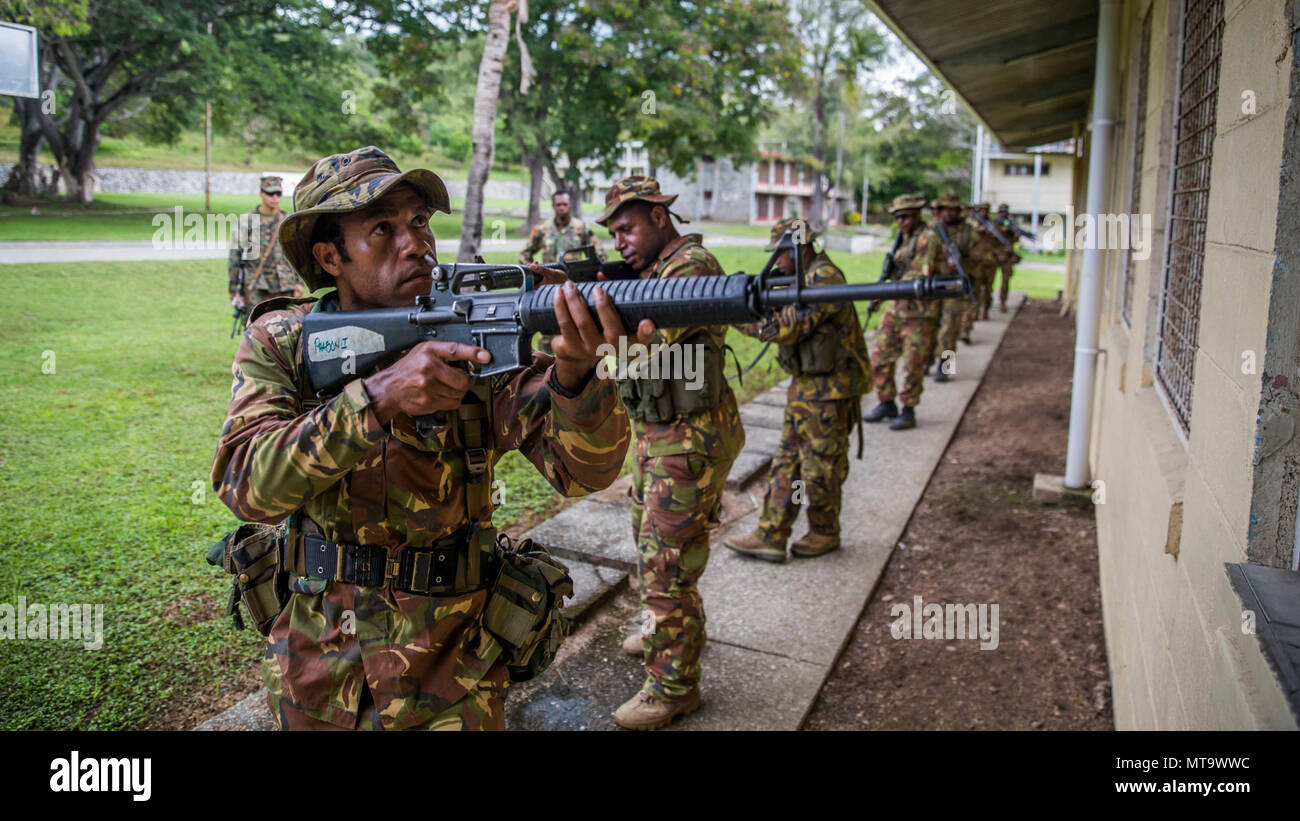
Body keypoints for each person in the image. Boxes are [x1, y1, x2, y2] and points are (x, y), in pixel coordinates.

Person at [210, 146, 644, 731]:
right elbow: (245, 484)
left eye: (418, 222)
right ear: (329, 255)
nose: (414, 242)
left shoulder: (476, 333)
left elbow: (585, 472)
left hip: (451, 669)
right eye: (382, 229)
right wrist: (377, 399)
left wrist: (578, 374)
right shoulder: (283, 340)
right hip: (316, 665)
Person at [595, 175, 744, 730]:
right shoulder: (653, 270)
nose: (619, 242)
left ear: (660, 217)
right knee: (651, 545)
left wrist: (592, 316)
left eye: (627, 227)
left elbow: (647, 345)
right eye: (612, 233)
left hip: (690, 440)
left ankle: (674, 687)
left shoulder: (692, 268)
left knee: (667, 565)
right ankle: (666, 630)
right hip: (662, 435)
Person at [722, 218, 871, 563]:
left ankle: (824, 531)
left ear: (798, 249)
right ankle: (771, 534)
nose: (777, 265)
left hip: (831, 392)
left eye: (780, 256)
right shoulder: (802, 277)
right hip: (805, 387)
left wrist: (735, 315)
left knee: (820, 467)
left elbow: (787, 328)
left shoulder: (824, 279)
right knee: (787, 463)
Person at [862, 194, 936, 431]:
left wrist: (886, 289)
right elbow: (897, 275)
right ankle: (886, 402)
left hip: (918, 313)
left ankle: (908, 409)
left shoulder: (928, 238)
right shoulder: (903, 239)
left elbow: (917, 275)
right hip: (896, 309)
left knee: (912, 364)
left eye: (905, 216)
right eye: (898, 217)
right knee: (879, 357)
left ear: (917, 215)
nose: (901, 221)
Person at [519, 189, 605, 355]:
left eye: (565, 204)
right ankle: (548, 367)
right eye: (558, 204)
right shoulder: (542, 229)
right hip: (547, 290)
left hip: (574, 288)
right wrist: (534, 274)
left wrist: (589, 275)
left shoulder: (581, 228)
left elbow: (599, 254)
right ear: (553, 206)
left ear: (570, 205)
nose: (562, 208)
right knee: (548, 329)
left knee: (578, 328)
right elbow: (525, 254)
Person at [227, 174, 303, 322]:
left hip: (285, 285)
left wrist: (299, 282)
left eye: (278, 194)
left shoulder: (288, 221)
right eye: (270, 193)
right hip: (256, 287)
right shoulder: (246, 222)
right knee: (255, 331)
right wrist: (233, 288)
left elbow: (298, 254)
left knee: (286, 331)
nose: (274, 197)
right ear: (261, 194)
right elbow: (235, 257)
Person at [931, 192, 975, 384]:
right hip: (931, 285)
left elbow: (979, 256)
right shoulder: (932, 231)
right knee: (929, 327)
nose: (949, 213)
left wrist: (962, 260)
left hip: (954, 285)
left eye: (953, 209)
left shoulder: (968, 232)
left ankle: (945, 367)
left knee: (950, 329)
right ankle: (926, 361)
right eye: (945, 209)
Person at [994, 202, 1023, 312]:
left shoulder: (1010, 223)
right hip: (995, 255)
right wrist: (1000, 231)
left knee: (1006, 280)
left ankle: (1003, 302)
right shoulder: (994, 222)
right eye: (1002, 212)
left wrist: (1015, 234)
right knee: (988, 281)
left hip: (1007, 256)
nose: (1003, 214)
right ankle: (985, 304)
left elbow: (1016, 239)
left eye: (1005, 212)